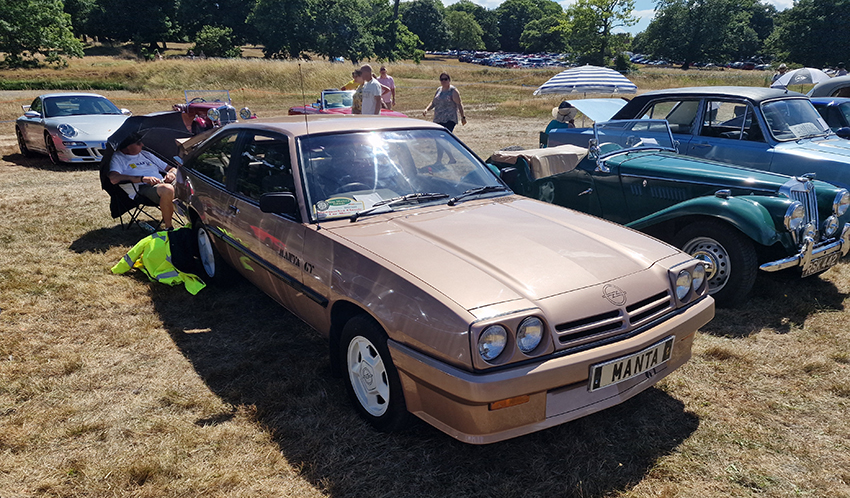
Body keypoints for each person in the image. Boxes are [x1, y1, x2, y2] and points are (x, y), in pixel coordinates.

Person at [108, 132, 177, 230]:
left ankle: (198, 222)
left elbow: (171, 168)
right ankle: (169, 228)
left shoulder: (146, 154)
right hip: (141, 189)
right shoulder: (118, 158)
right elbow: (113, 178)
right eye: (138, 143)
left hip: (162, 183)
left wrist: (171, 174)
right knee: (167, 189)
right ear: (127, 146)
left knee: (189, 183)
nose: (142, 145)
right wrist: (142, 178)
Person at [423, 73, 467, 164]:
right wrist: (427, 109)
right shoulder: (439, 90)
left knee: (443, 138)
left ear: (449, 80)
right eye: (442, 79)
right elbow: (434, 102)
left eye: (445, 79)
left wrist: (463, 117)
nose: (443, 81)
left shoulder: (453, 91)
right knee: (438, 140)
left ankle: (449, 159)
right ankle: (441, 160)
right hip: (438, 118)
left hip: (449, 119)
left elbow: (459, 104)